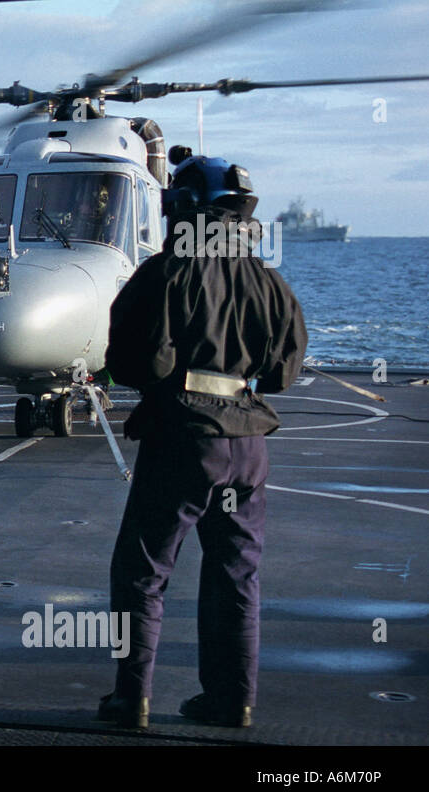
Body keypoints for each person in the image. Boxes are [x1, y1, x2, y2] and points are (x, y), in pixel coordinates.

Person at [96, 149, 307, 729]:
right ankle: (231, 699)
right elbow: (283, 375)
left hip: (185, 440)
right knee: (236, 573)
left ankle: (131, 697)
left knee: (143, 572)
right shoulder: (269, 280)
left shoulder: (166, 272)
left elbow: (137, 363)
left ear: (185, 210)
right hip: (249, 446)